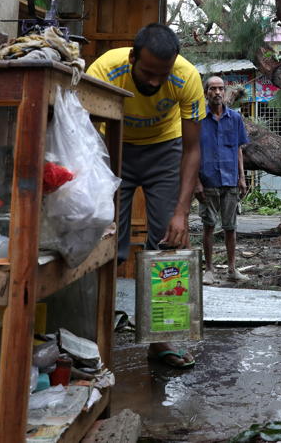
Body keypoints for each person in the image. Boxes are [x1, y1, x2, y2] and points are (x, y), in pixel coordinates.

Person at [87, 23, 204, 368]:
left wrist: (181, 211)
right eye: (148, 72)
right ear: (133, 57)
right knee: (107, 241)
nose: (155, 82)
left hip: (164, 149)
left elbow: (193, 148)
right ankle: (96, 332)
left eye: (162, 75)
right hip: (113, 146)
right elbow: (86, 136)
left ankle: (161, 338)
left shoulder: (186, 77)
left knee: (168, 240)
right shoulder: (106, 69)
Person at [196, 75, 249, 284]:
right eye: (213, 89)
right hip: (207, 180)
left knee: (230, 227)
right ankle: (208, 269)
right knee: (208, 226)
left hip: (230, 180)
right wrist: (196, 182)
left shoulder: (235, 118)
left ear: (225, 92)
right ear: (206, 92)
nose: (217, 92)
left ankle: (232, 269)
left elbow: (238, 149)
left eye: (220, 89)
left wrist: (242, 177)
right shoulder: (199, 118)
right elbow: (192, 151)